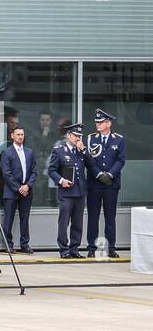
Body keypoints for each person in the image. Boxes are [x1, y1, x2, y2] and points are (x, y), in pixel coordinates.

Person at [84, 108, 125, 258]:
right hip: (94, 183)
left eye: (101, 122)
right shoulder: (90, 138)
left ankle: (111, 247)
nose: (97, 124)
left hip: (110, 184)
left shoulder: (118, 139)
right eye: (96, 122)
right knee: (93, 217)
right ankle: (91, 247)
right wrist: (99, 174)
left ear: (108, 123)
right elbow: (88, 159)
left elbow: (121, 160)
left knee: (110, 217)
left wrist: (110, 174)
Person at [48, 122, 87, 259]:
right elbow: (51, 170)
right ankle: (63, 249)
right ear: (69, 136)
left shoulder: (81, 150)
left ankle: (74, 249)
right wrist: (61, 181)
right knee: (64, 222)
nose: (78, 138)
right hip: (66, 193)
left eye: (80, 136)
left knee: (78, 222)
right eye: (76, 136)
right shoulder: (59, 151)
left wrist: (84, 151)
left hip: (80, 192)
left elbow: (91, 164)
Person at [0, 124, 36, 253]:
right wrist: (18, 187)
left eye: (22, 134)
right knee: (8, 218)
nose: (20, 137)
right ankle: (8, 244)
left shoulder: (29, 152)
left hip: (27, 191)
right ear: (12, 136)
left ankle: (24, 244)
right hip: (12, 191)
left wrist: (27, 186)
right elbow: (6, 173)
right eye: (18, 134)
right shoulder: (7, 152)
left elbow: (34, 172)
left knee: (24, 218)